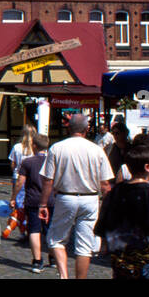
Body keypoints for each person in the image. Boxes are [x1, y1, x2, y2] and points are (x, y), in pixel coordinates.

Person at [38, 113, 114, 279]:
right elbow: (106, 185)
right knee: (84, 247)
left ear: (68, 127)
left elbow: (48, 181)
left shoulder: (57, 148)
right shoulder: (97, 150)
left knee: (56, 240)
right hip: (91, 199)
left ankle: (64, 276)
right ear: (87, 129)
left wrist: (43, 204)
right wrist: (108, 208)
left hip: (66, 197)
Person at [94, 143, 149, 279]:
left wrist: (105, 246)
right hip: (144, 262)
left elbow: (103, 223)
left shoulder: (116, 191)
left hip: (120, 261)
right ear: (148, 167)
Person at [13, 134, 51, 272]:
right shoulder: (52, 161)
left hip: (33, 200)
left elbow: (20, 182)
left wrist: (13, 197)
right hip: (51, 200)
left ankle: (37, 261)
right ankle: (53, 258)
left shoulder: (28, 162)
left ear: (34, 145)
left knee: (34, 230)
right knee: (51, 230)